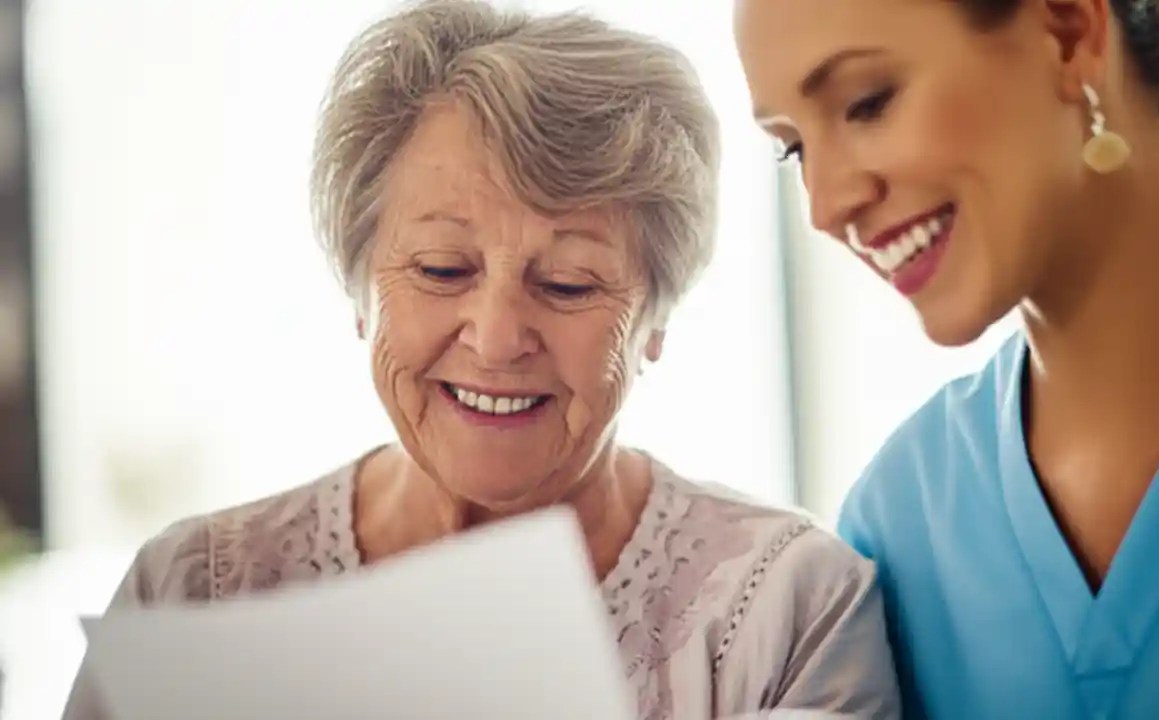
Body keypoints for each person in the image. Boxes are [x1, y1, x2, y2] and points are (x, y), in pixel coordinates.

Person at [61, 2, 902, 719]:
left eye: (569, 284)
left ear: (656, 319)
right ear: (361, 290)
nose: (498, 338)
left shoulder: (787, 606)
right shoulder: (194, 591)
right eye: (441, 270)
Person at [734, 0, 1159, 717]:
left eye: (867, 102)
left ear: (1067, 31)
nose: (826, 205)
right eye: (795, 148)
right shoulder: (899, 521)